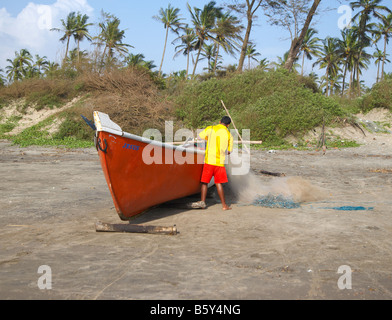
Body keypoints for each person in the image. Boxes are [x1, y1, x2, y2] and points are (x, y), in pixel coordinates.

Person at [198, 116, 233, 211]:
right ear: (228, 125)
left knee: (204, 183)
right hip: (220, 163)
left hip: (209, 161)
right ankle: (224, 206)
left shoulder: (211, 128)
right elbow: (229, 151)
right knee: (218, 183)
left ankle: (202, 203)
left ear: (219, 121)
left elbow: (200, 137)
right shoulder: (229, 134)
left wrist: (208, 140)